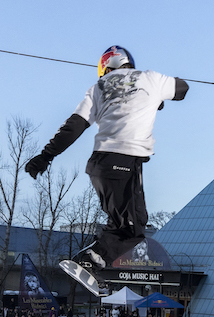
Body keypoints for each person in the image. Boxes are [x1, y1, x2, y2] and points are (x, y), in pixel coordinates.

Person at [24, 45, 189, 268]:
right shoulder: (150, 78)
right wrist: (156, 97)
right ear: (129, 62)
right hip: (125, 161)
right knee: (133, 227)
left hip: (100, 166)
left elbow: (74, 126)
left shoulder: (98, 87)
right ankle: (91, 260)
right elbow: (182, 88)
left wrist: (45, 156)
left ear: (105, 67)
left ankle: (95, 263)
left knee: (122, 224)